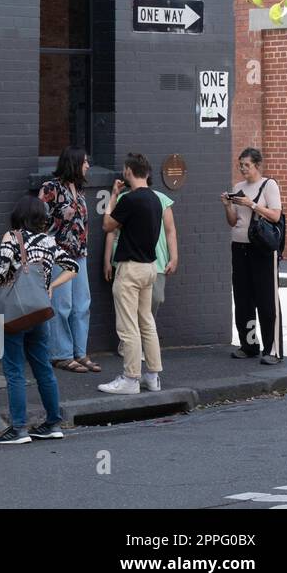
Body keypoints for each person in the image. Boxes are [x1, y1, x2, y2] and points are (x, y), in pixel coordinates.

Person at [0, 196, 78, 444]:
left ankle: (18, 428)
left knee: (15, 369)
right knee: (43, 368)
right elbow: (72, 266)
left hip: (15, 314)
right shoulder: (49, 241)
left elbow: (1, 270)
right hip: (40, 311)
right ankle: (52, 423)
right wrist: (50, 286)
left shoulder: (11, 237)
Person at [100, 153, 164, 395]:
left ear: (128, 172)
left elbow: (108, 225)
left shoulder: (130, 200)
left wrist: (114, 195)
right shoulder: (156, 200)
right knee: (147, 322)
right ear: (146, 172)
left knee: (128, 327)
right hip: (150, 268)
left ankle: (130, 378)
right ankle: (153, 376)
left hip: (130, 268)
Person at [224, 147, 284, 364]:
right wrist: (228, 206)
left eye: (246, 165)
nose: (242, 169)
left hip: (262, 251)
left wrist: (251, 204)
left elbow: (275, 216)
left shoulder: (269, 185)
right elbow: (233, 221)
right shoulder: (238, 187)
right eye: (240, 165)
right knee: (243, 299)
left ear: (257, 165)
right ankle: (249, 345)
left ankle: (273, 351)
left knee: (267, 300)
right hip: (239, 248)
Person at [40, 148, 97, 374]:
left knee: (82, 304)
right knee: (62, 305)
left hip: (79, 254)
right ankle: (61, 354)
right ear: (73, 163)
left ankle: (80, 352)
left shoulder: (80, 189)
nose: (88, 166)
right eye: (84, 162)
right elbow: (38, 221)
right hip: (58, 255)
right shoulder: (50, 188)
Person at [105, 175, 178, 321]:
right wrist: (107, 260)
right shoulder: (124, 198)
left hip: (156, 263)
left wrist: (174, 257)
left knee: (154, 302)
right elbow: (111, 230)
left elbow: (170, 230)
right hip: (127, 261)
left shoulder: (161, 199)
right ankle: (133, 342)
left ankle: (140, 341)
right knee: (128, 313)